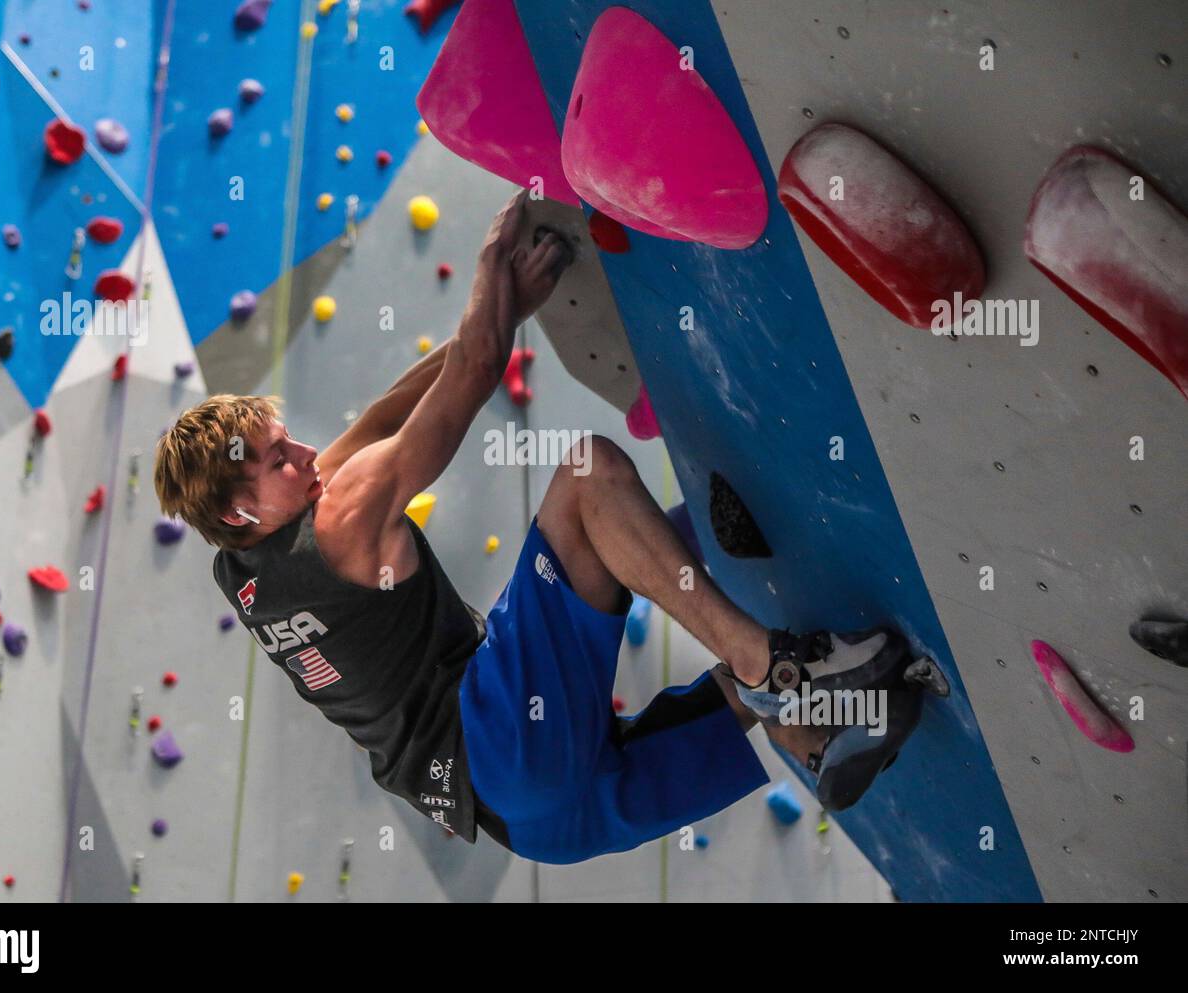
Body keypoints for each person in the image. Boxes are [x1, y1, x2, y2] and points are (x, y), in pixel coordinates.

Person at [153, 190, 913, 864]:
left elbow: (382, 420)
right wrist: (493, 275)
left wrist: (500, 315)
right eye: (279, 457)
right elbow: (477, 374)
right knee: (588, 481)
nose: (307, 452)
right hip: (502, 744)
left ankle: (816, 726)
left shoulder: (247, 567)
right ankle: (771, 667)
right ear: (235, 509)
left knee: (714, 590)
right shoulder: (341, 518)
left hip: (533, 826)